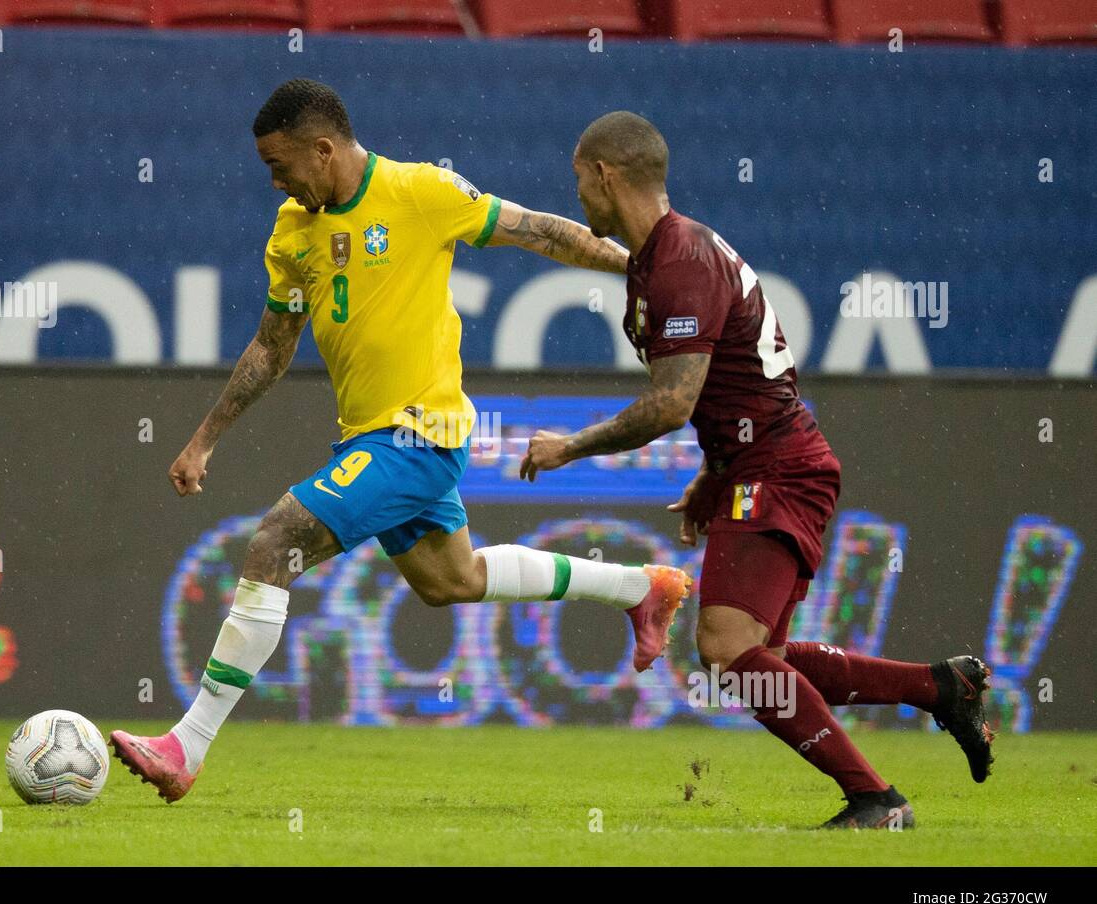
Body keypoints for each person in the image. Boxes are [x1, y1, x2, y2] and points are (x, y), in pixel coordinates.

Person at [110, 82, 691, 803]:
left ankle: (186, 746)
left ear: (323, 150)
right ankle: (640, 588)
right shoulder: (292, 231)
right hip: (375, 435)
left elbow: (539, 230)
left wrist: (646, 263)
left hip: (420, 433)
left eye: (280, 163)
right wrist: (204, 440)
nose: (275, 180)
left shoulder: (421, 192)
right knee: (453, 581)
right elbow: (271, 346)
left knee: (275, 540)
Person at [520, 110, 994, 829]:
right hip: (763, 463)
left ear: (604, 173)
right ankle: (938, 687)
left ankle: (878, 800)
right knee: (761, 657)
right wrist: (714, 477)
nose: (578, 195)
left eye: (578, 179)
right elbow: (728, 386)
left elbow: (673, 403)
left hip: (778, 467)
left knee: (726, 647)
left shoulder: (678, 263)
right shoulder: (663, 259)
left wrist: (570, 447)